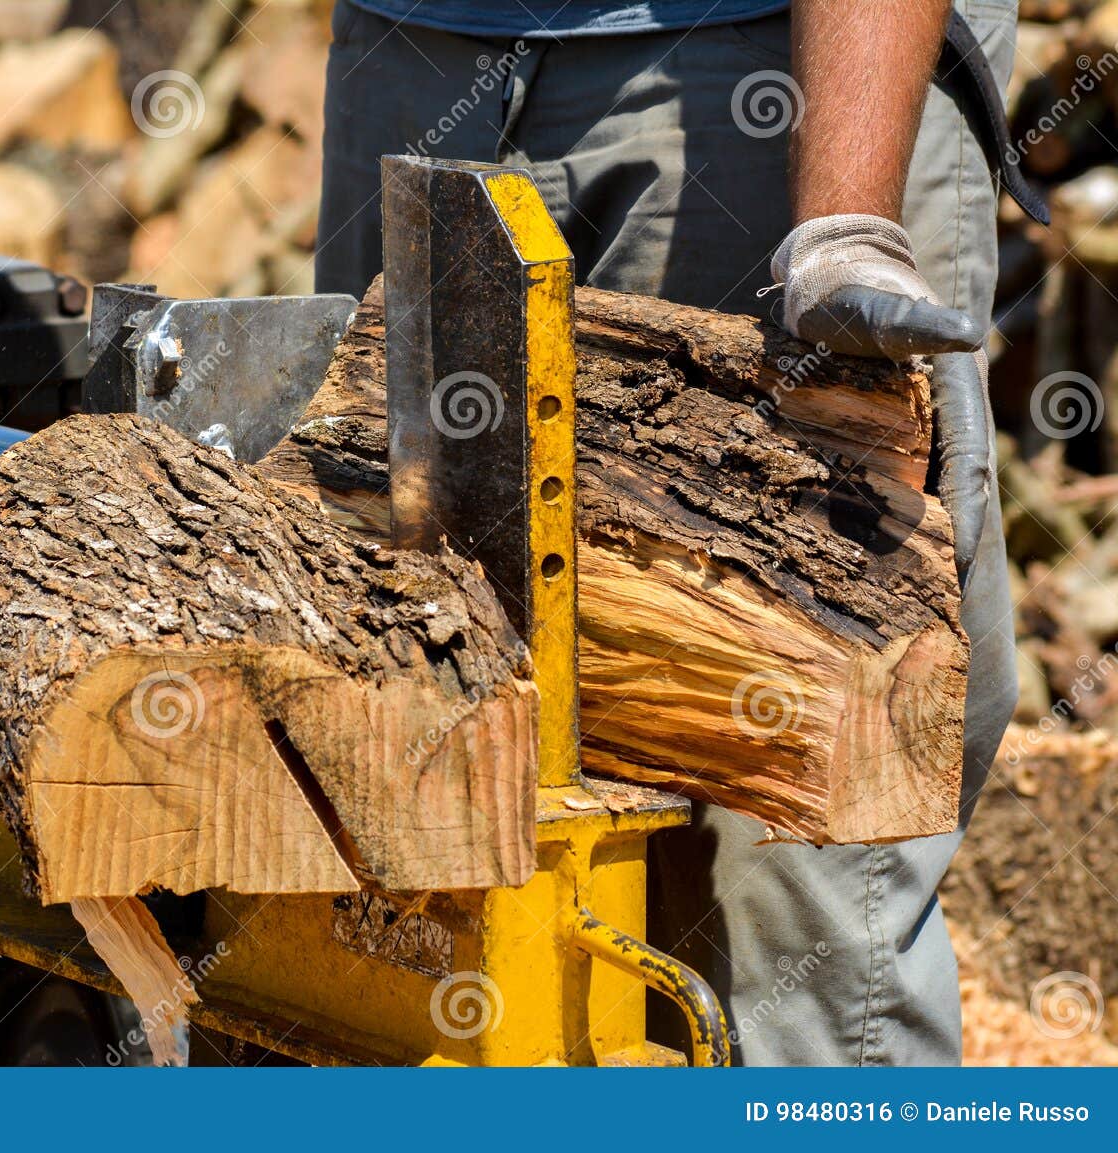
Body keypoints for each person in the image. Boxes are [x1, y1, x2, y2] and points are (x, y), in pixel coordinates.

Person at [315, 0, 1027, 1065]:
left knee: (784, 852)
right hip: (419, 51)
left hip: (771, 65)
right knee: (404, 768)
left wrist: (844, 223)